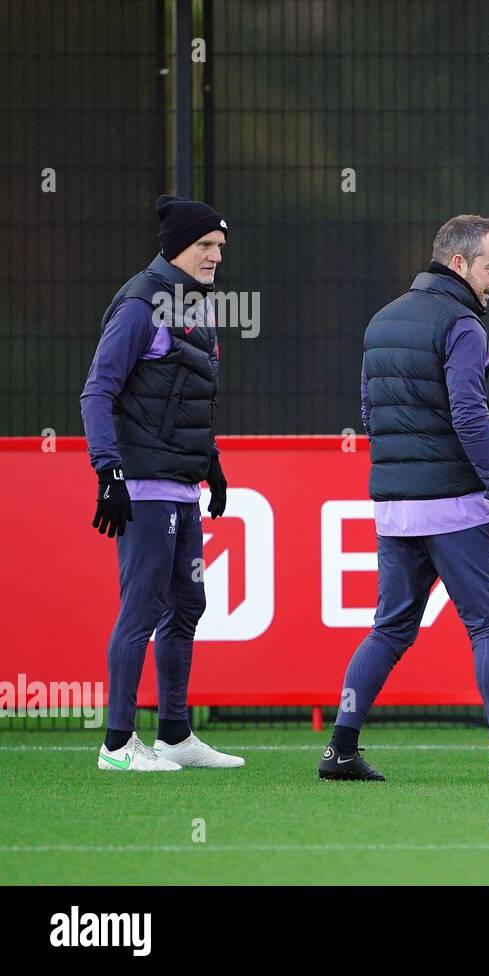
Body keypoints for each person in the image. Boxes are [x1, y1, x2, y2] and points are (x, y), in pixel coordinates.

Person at [318, 215, 489, 784]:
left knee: (389, 628)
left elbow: (370, 413)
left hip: (395, 508)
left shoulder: (381, 321)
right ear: (459, 264)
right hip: (456, 506)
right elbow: (469, 415)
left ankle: (340, 750)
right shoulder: (463, 326)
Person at [80, 194, 244, 772]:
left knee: (188, 603)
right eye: (205, 246)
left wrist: (212, 461)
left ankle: (174, 735)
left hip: (180, 485)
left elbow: (187, 396)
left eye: (220, 247)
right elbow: (97, 392)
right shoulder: (140, 305)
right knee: (142, 609)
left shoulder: (193, 306)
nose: (215, 257)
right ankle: (118, 746)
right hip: (144, 485)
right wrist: (109, 473)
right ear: (176, 247)